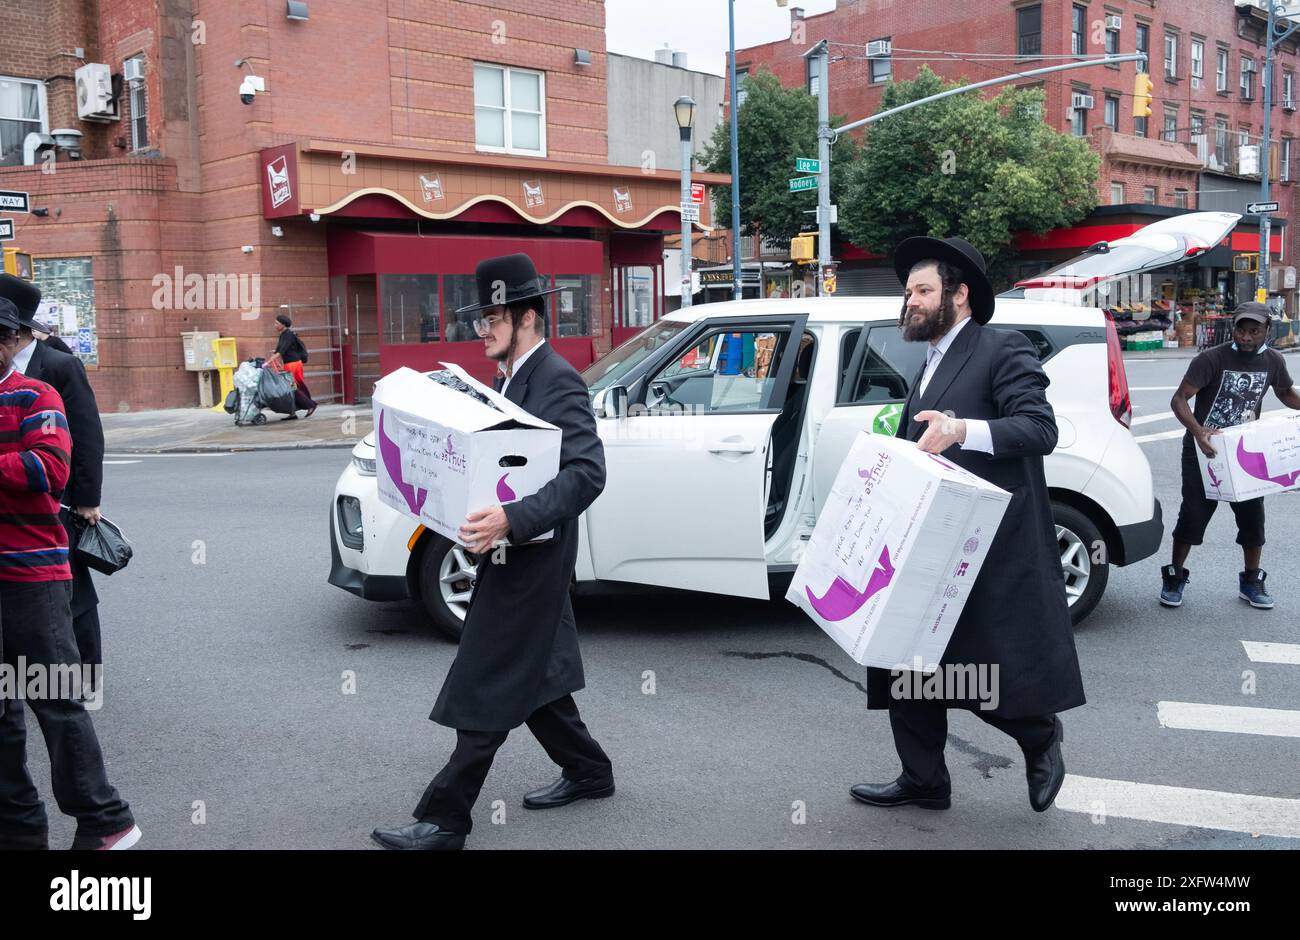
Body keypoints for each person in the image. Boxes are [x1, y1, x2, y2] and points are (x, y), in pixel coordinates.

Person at [372, 253, 612, 850]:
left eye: (494, 316)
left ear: (529, 317)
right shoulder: (509, 379)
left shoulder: (556, 379)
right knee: (538, 674)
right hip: (513, 555)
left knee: (489, 678)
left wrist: (511, 518)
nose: (482, 328)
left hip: (532, 558)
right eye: (480, 317)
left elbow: (587, 474)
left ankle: (446, 818)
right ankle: (589, 770)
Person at [852, 236, 1085, 814]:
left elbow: (1039, 429)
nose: (910, 301)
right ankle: (924, 779)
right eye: (908, 292)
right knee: (906, 658)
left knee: (979, 669)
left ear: (960, 296)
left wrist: (963, 430)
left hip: (988, 547)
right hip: (926, 540)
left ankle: (1038, 735)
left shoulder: (1002, 348)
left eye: (923, 290)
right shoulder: (927, 362)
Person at [0, 297, 139, 850]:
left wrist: (88, 499)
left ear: (10, 341)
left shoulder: (36, 395)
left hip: (31, 576)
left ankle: (106, 821)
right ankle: (18, 827)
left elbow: (46, 467)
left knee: (53, 698)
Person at [1161, 302, 1300, 609]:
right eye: (1241, 329)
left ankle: (1251, 580)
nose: (1246, 336)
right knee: (1194, 515)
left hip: (1244, 450)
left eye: (1254, 331)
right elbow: (1180, 399)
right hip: (1204, 450)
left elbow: (1285, 392)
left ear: (1267, 330)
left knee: (1252, 518)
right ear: (1233, 328)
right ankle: (1175, 575)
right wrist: (1198, 432)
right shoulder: (1212, 358)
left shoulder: (1273, 361)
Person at [0, 275, 106, 677]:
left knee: (74, 591)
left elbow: (87, 433)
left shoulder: (59, 365)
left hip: (60, 499)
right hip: (16, 505)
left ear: (17, 333)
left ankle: (87, 670)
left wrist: (88, 499)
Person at [268, 314, 316, 419]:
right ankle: (292, 413)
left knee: (293, 388)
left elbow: (282, 350)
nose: (274, 325)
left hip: (293, 365)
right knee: (292, 388)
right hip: (289, 364)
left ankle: (311, 405)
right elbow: (279, 349)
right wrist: (274, 354)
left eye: (277, 323)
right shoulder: (283, 334)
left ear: (283, 324)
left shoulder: (288, 335)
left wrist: (271, 360)